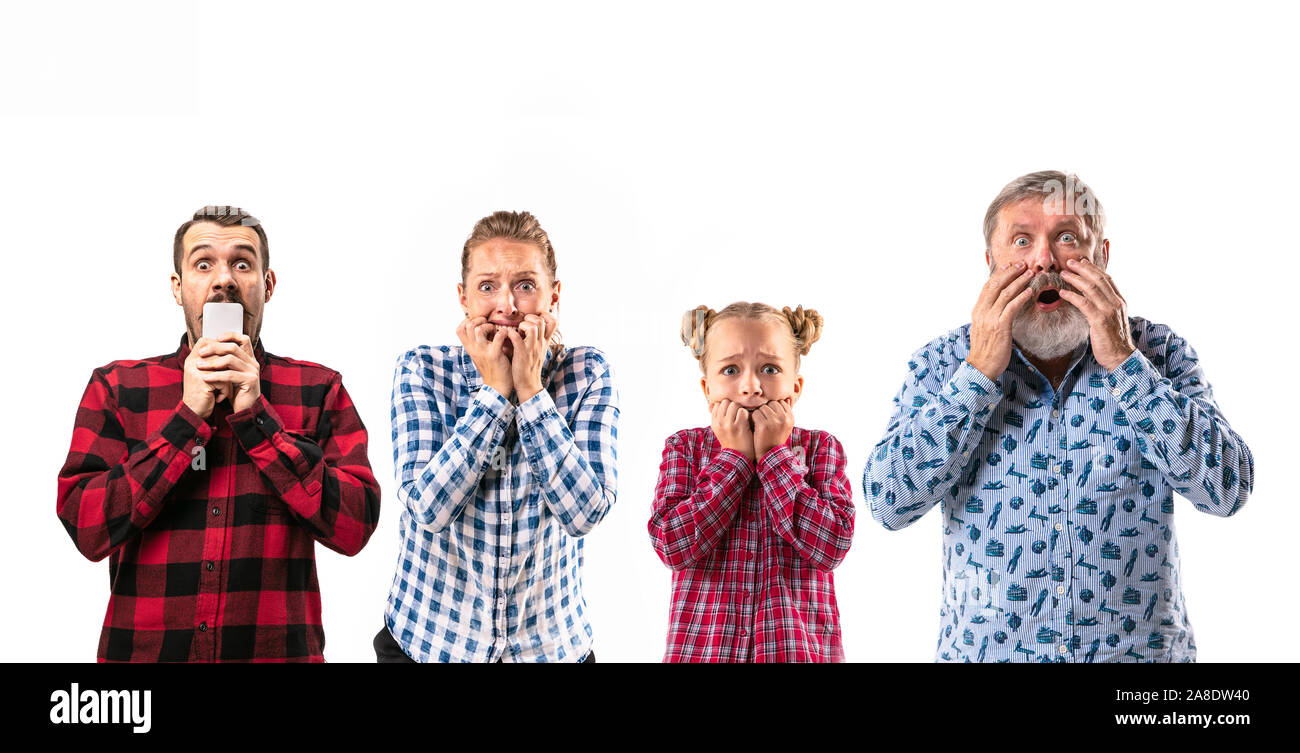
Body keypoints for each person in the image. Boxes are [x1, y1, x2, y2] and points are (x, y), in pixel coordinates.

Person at [863, 171, 1254, 662]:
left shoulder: (1160, 352)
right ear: (991, 265)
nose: (1044, 259)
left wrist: (1125, 363)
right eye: (1021, 240)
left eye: (1066, 238)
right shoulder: (942, 363)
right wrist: (978, 373)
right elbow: (888, 502)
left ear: (1103, 257)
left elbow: (1227, 490)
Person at [56, 205, 381, 662]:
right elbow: (86, 527)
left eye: (242, 263)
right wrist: (188, 418)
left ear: (267, 286)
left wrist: (257, 420)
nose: (223, 279)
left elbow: (356, 527)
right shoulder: (118, 388)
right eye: (203, 263)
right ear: (178, 287)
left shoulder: (318, 389)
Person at [376, 210, 618, 663]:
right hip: (431, 643)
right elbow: (427, 508)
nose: (506, 304)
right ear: (464, 298)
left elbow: (585, 513)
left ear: (553, 296)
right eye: (487, 287)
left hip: (551, 649)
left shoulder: (587, 373)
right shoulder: (422, 370)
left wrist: (530, 390)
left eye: (525, 284)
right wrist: (493, 394)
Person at [649, 302, 855, 662]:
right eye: (730, 370)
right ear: (706, 388)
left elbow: (832, 545)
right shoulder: (684, 447)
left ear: (796, 386)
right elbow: (671, 545)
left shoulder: (821, 448)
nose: (750, 387)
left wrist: (775, 455)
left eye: (770, 369)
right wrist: (734, 461)